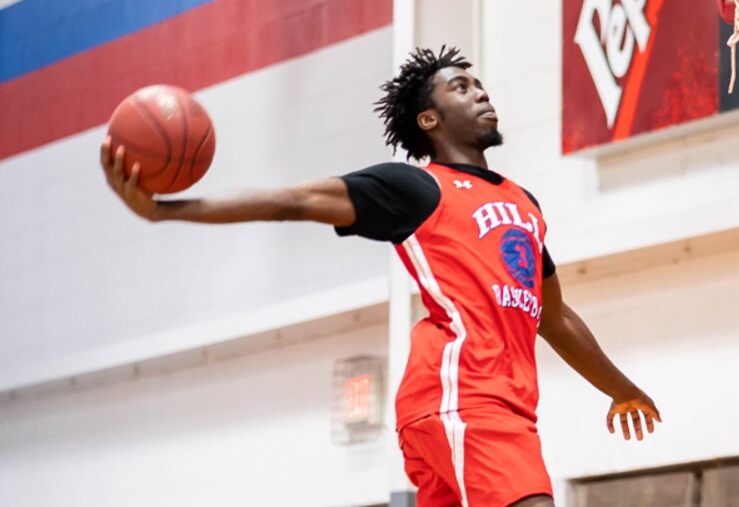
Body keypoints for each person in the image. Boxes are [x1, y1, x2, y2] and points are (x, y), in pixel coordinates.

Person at [100, 46, 661, 507]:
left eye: (479, 83)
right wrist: (167, 211)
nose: (481, 91)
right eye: (461, 87)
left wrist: (622, 389)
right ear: (429, 120)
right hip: (464, 398)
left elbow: (554, 317)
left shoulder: (524, 203)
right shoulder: (416, 188)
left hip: (493, 407)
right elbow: (295, 201)